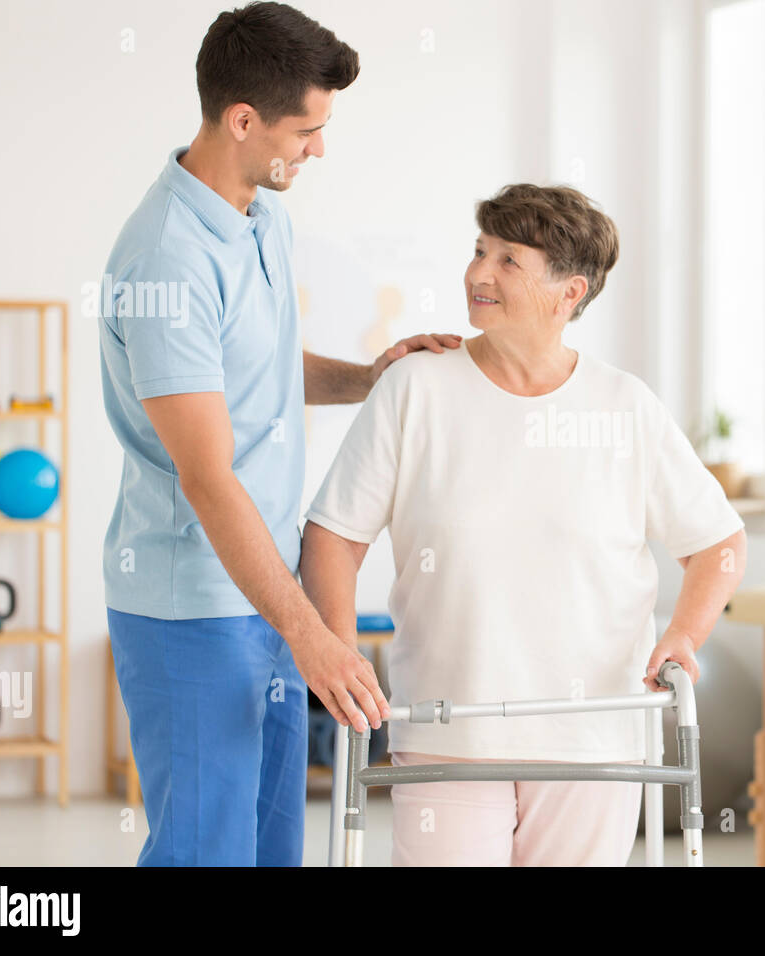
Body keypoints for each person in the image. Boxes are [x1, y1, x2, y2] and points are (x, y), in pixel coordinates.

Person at [98, 1, 460, 866]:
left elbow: (256, 367)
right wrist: (310, 633)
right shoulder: (168, 259)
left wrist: (369, 379)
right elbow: (208, 476)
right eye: (307, 129)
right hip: (195, 604)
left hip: (266, 594)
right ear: (243, 119)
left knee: (271, 848)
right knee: (205, 852)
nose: (318, 149)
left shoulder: (264, 219)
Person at [300, 183, 748, 866]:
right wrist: (337, 648)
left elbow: (717, 542)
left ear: (570, 292)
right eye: (480, 250)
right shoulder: (415, 387)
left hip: (594, 736)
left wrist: (684, 637)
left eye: (509, 260)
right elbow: (334, 533)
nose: (479, 273)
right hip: (449, 730)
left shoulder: (624, 407)